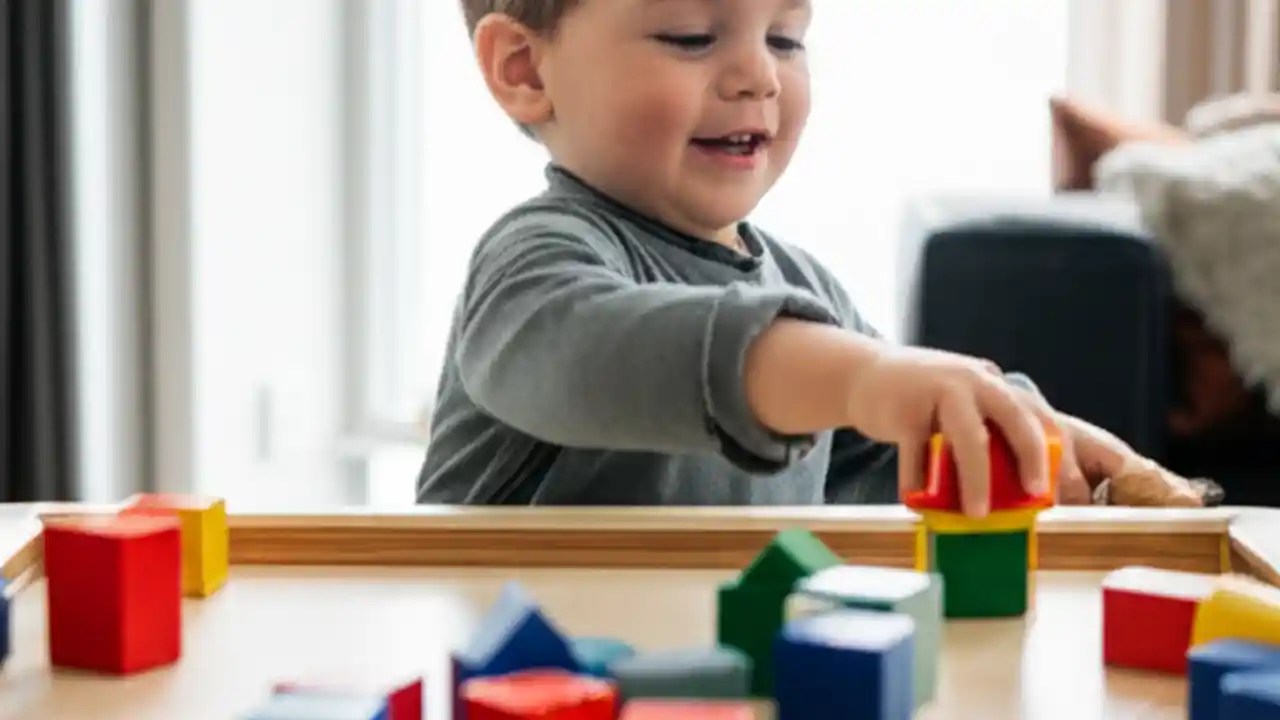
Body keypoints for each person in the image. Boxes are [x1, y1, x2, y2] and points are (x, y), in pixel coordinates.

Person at [416, 0, 1143, 512]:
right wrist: (865, 376)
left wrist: (1025, 437)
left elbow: (881, 454)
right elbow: (597, 352)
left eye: (785, 39)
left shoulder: (803, 289)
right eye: (691, 35)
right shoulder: (533, 262)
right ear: (526, 69)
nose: (758, 76)